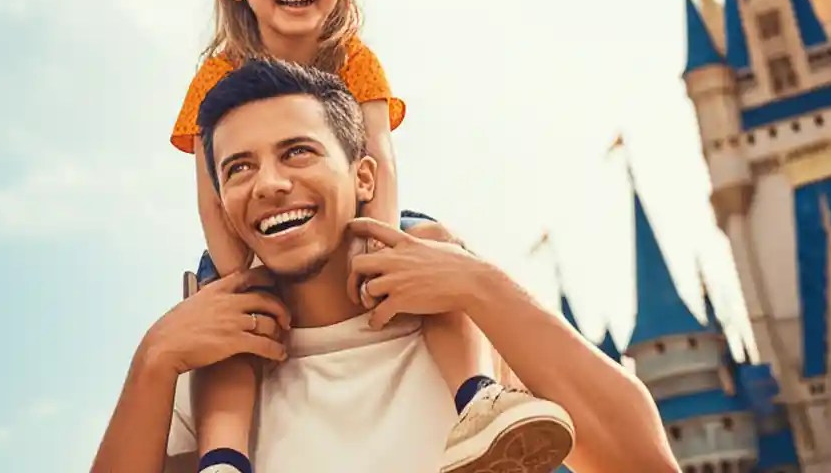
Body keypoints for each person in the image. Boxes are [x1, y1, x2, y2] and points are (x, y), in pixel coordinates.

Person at [162, 0, 571, 473]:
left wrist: (380, 246)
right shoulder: (218, 75)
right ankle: (224, 454)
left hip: (354, 223)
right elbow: (213, 188)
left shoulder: (355, 60)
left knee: (435, 248)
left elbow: (378, 156)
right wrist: (241, 269)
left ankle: (479, 398)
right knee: (225, 319)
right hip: (259, 240)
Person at [90, 60, 681, 473]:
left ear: (364, 176)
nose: (269, 184)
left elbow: (646, 467)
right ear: (220, 206)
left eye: (297, 151)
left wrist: (480, 284)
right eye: (239, 168)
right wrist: (151, 361)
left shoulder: (468, 324)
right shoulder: (213, 371)